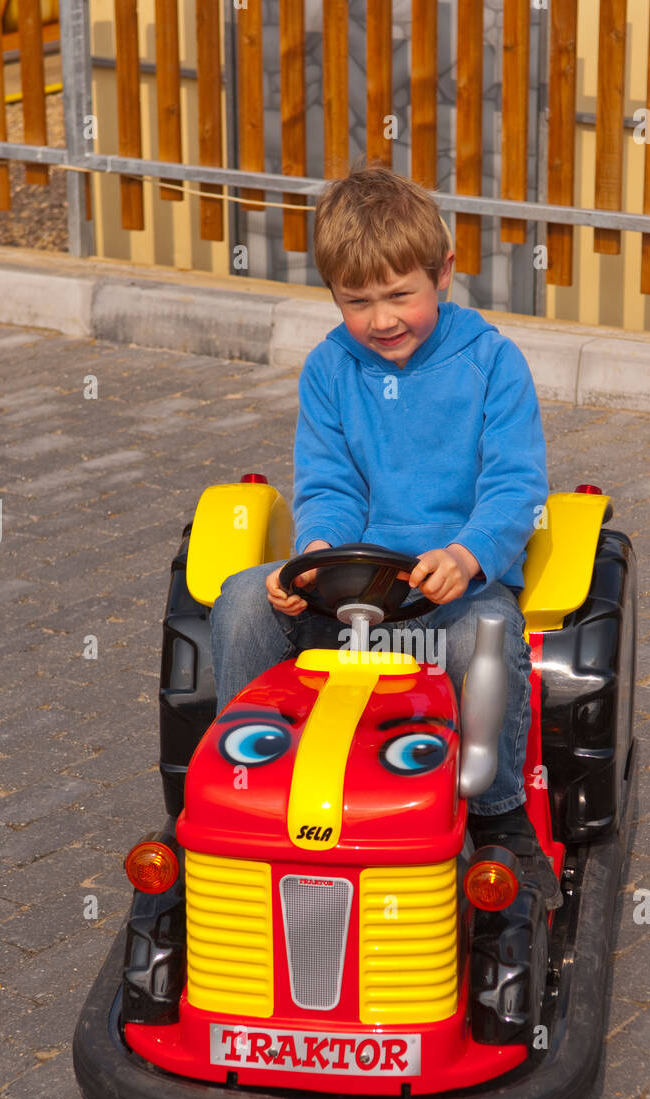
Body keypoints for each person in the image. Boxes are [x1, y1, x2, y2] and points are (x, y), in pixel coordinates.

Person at [211, 159, 562, 907]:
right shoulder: (329, 370)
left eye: (400, 294)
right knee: (242, 598)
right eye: (356, 301)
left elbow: (512, 489)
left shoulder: (491, 363)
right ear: (333, 295)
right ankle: (239, 785)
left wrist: (465, 555)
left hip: (452, 585)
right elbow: (331, 486)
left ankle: (501, 821)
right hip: (352, 588)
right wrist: (311, 559)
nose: (380, 320)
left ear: (443, 273)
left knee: (484, 640)